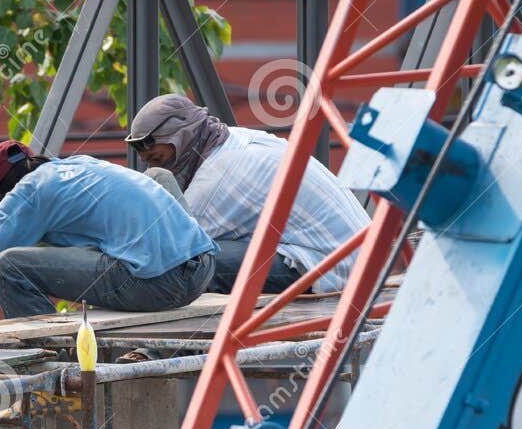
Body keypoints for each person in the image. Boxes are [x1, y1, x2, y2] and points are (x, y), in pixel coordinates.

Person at [0, 140, 217, 319]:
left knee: (8, 265)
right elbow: (19, 229)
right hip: (202, 269)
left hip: (158, 285)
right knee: (156, 177)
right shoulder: (76, 167)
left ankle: (51, 356)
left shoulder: (26, 193)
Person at [126, 94, 369, 294]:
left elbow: (173, 248)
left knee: (191, 267)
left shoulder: (216, 179)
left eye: (159, 159)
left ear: (183, 139)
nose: (155, 169)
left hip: (334, 268)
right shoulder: (233, 138)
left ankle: (176, 348)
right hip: (362, 256)